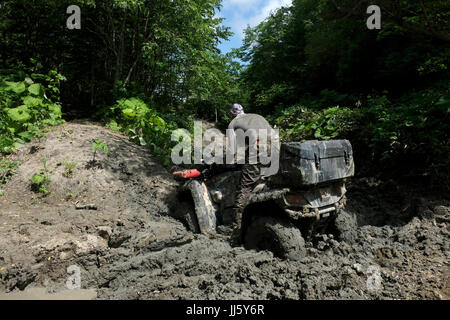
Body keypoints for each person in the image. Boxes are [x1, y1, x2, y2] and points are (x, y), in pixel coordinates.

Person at [226, 103, 277, 245]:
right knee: (266, 179)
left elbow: (231, 149)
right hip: (275, 148)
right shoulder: (255, 117)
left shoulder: (233, 123)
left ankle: (237, 226)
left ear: (231, 114)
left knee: (245, 185)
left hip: (258, 149)